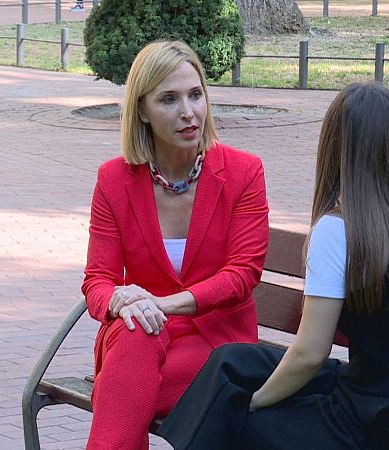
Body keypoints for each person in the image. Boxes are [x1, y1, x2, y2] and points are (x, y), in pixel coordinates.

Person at [158, 82, 389, 450]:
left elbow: (310, 354)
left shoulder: (337, 229)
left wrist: (254, 403)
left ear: (334, 148)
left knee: (242, 424)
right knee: (232, 362)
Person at [82, 40, 269, 449]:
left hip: (216, 339)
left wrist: (161, 304)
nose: (189, 112)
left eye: (196, 94)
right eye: (169, 99)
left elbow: (242, 275)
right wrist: (119, 299)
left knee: (122, 387)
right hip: (142, 332)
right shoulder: (114, 180)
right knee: (135, 334)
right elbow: (97, 280)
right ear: (142, 112)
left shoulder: (243, 172)